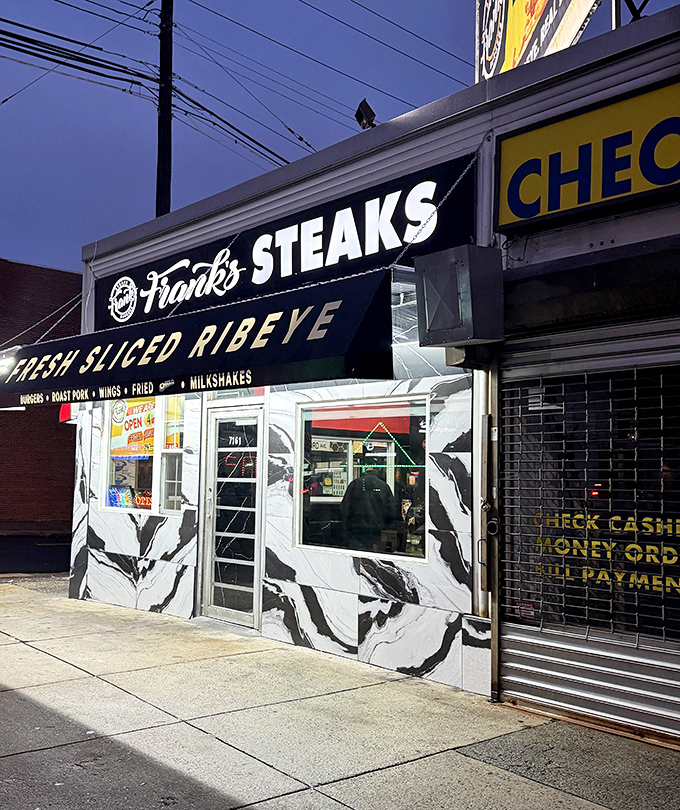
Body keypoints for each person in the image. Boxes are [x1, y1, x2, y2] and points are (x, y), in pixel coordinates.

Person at [341, 455, 396, 551]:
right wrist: (383, 525)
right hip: (376, 532)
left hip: (356, 532)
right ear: (378, 468)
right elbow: (391, 512)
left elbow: (344, 509)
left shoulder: (355, 484)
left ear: (365, 467)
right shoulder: (384, 487)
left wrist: (347, 529)